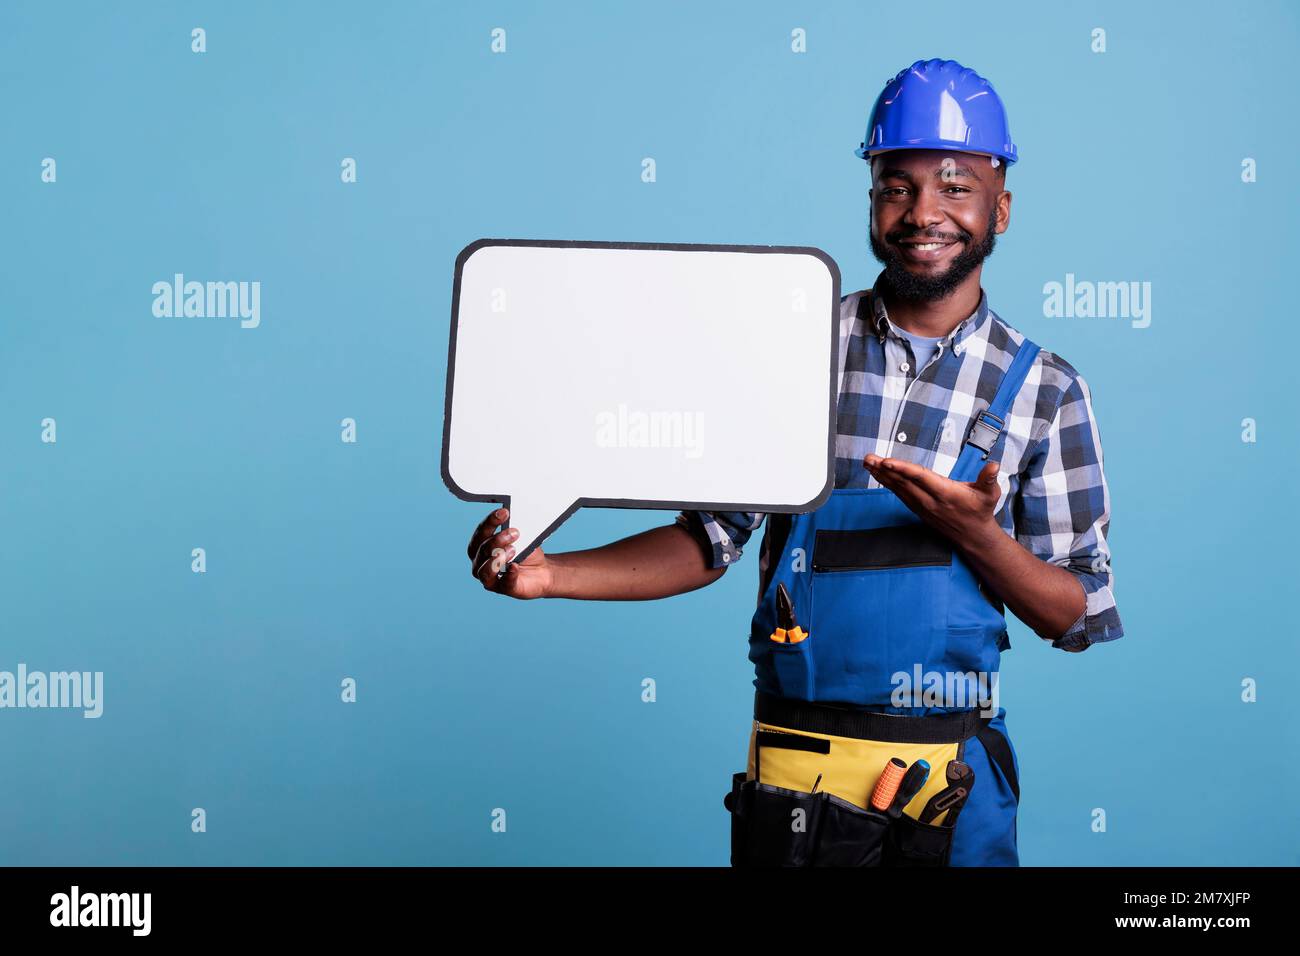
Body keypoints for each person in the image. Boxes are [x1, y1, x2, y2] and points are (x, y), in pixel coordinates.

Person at [464, 59, 1122, 866]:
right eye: (896, 186)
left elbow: (1078, 614)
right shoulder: (792, 348)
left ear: (1001, 208)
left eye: (955, 186)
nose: (925, 213)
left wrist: (978, 536)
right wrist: (550, 573)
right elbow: (710, 539)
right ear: (873, 200)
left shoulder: (1047, 391)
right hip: (795, 786)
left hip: (949, 786)